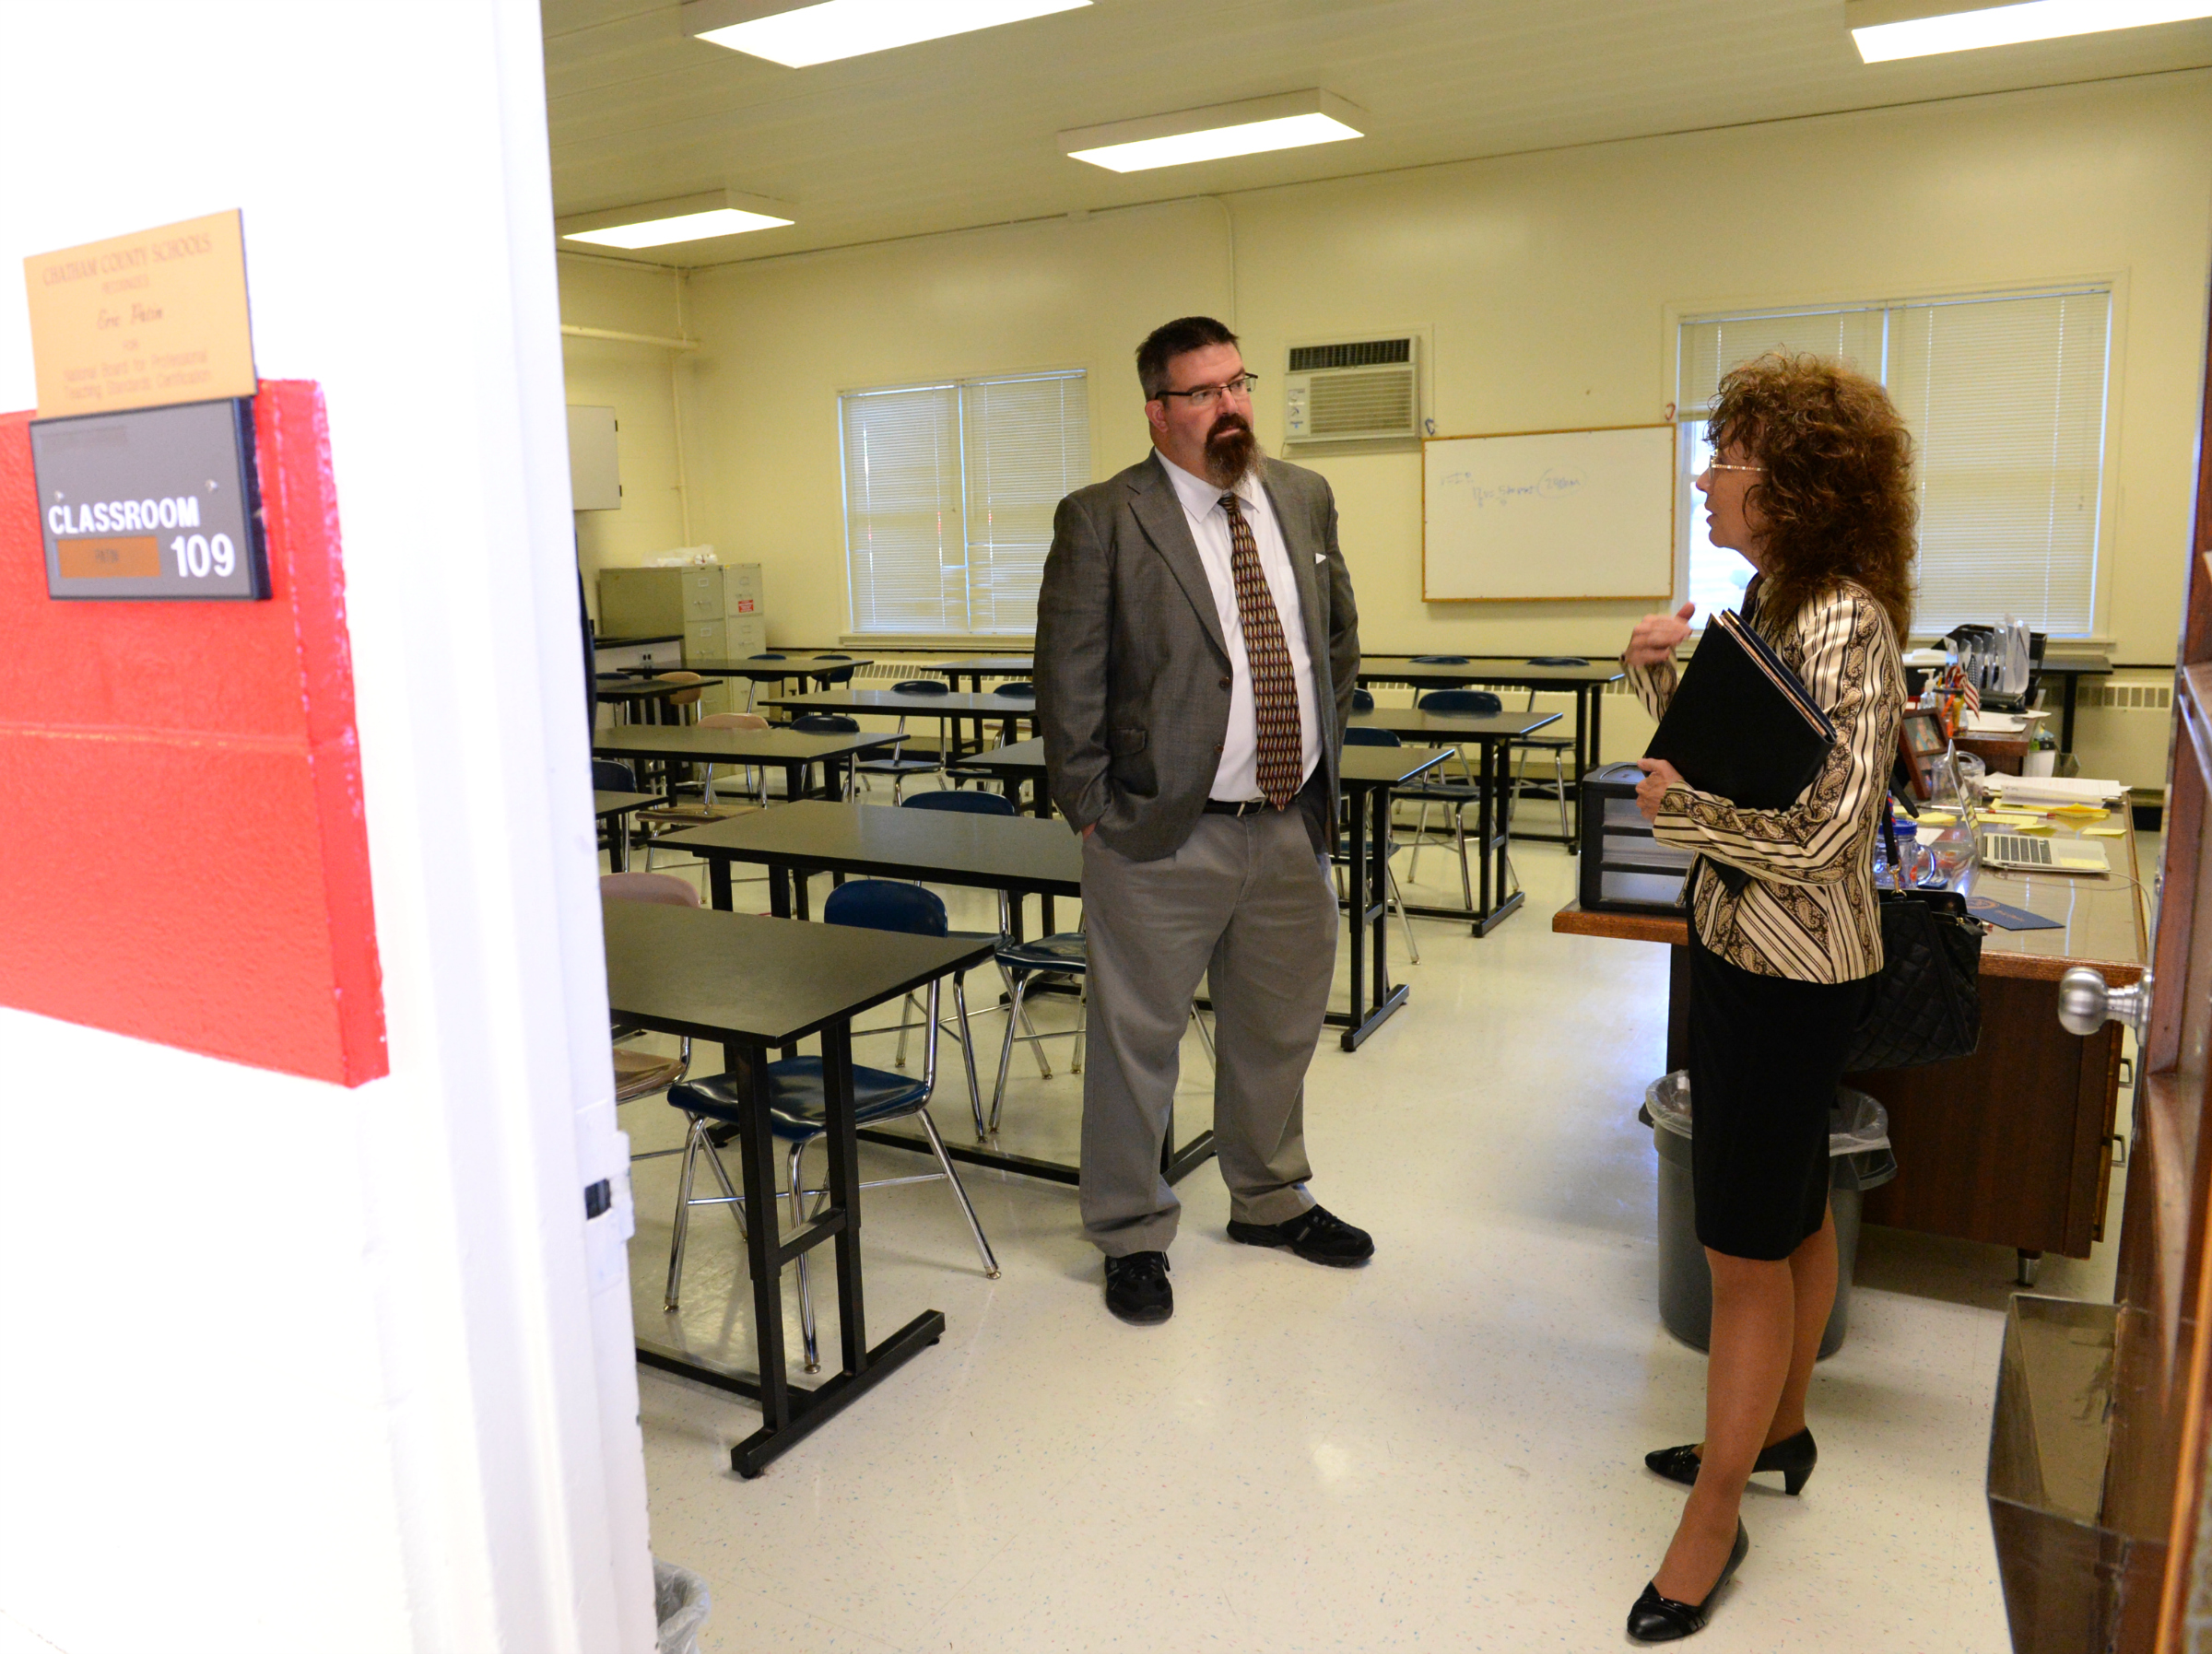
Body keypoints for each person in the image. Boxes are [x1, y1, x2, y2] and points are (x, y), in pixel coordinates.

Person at [1619, 353, 1913, 1641]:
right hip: (1750, 952)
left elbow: (1825, 836)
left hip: (1790, 969)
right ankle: (1780, 1433)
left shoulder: (1845, 617)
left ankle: (1714, 1514)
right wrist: (1652, 688)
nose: (1705, 476)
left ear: (1787, 482)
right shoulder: (1780, 600)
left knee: (1739, 1251)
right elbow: (1733, 755)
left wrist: (1679, 808)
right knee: (1789, 1210)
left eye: (1726, 458)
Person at [1035, 314, 1371, 1326]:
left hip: (1285, 821)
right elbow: (1066, 682)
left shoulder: (1302, 497)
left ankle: (1268, 1199)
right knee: (1138, 1043)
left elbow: (1337, 642)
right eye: (1204, 392)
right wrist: (1096, 811)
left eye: (1238, 384)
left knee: (1277, 1028)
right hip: (1161, 833)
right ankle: (1133, 1231)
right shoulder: (1103, 517)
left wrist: (1317, 779)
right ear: (1158, 410)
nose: (1230, 407)